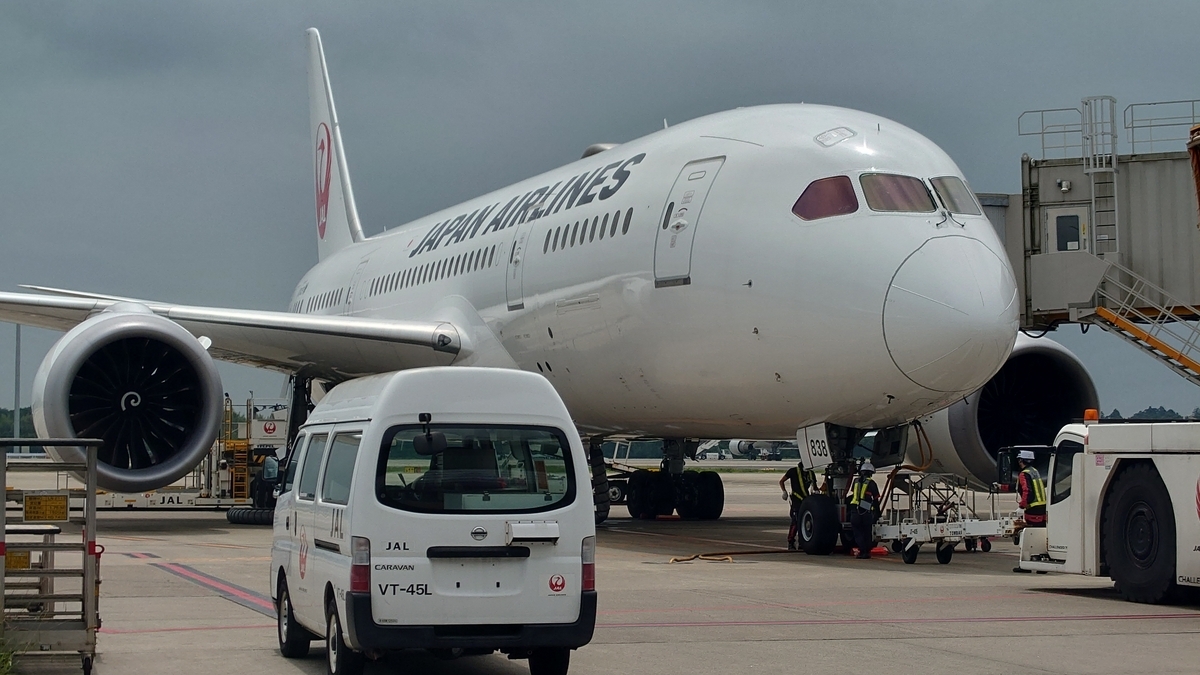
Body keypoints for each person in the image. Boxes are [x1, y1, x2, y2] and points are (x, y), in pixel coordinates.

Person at [779, 463, 816, 550]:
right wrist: (784, 491)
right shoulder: (793, 471)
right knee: (795, 521)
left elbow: (814, 485)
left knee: (804, 521)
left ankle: (801, 542)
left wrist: (815, 491)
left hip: (806, 500)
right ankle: (791, 541)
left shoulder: (811, 473)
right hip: (796, 500)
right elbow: (781, 481)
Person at [848, 461, 880, 559]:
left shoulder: (856, 481)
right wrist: (878, 513)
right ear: (871, 473)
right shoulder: (872, 483)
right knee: (867, 532)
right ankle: (866, 551)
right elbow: (875, 500)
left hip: (855, 511)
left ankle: (862, 551)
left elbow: (853, 495)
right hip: (866, 512)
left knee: (858, 532)